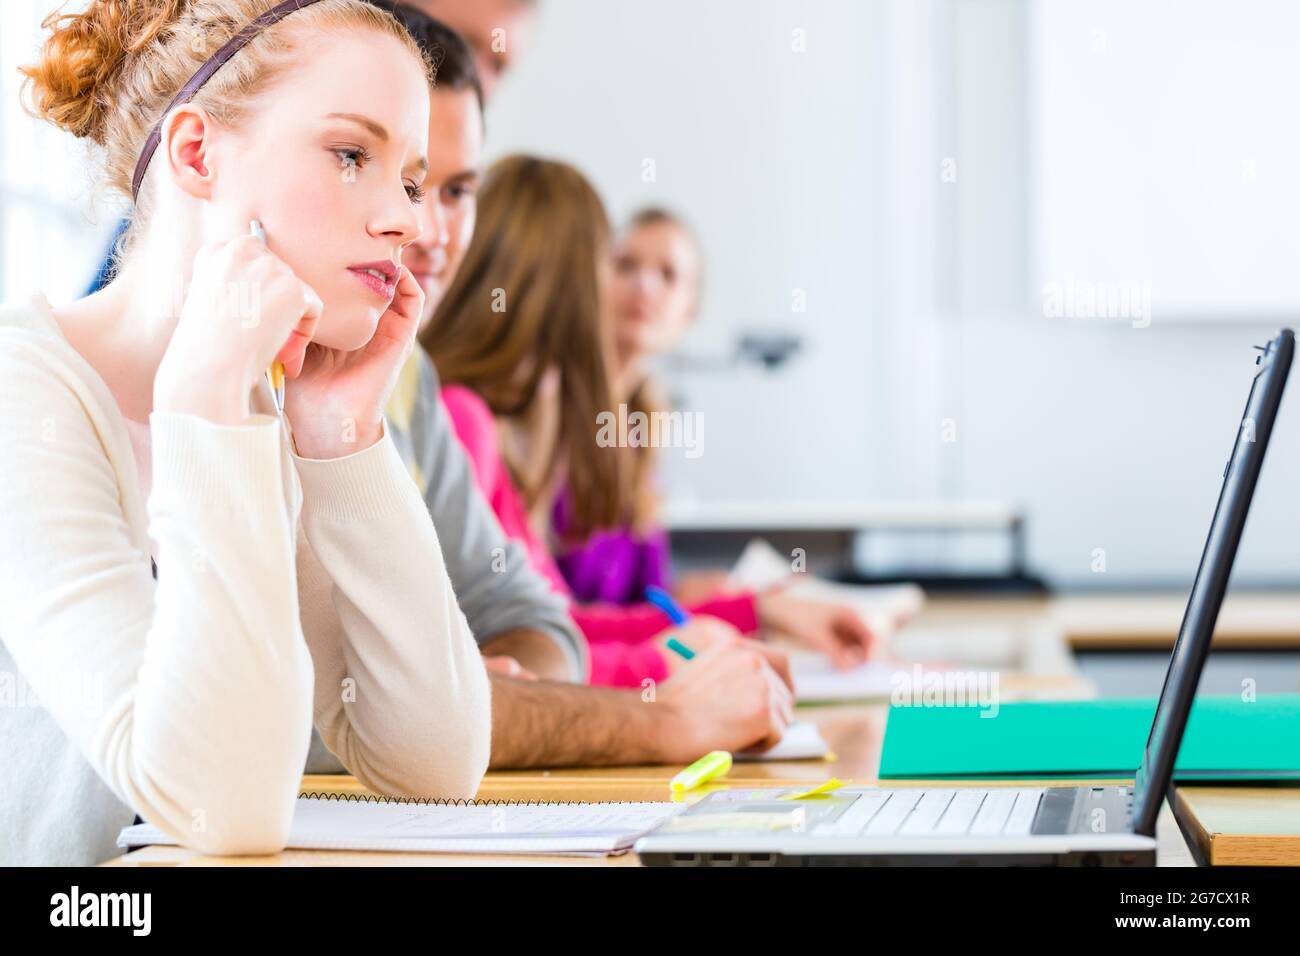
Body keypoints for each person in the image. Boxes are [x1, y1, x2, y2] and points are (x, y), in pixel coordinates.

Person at [0, 0, 491, 866]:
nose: (409, 223)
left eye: (410, 181)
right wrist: (202, 404)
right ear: (197, 153)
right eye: (351, 156)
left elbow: (433, 763)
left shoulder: (262, 405)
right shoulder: (24, 392)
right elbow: (221, 810)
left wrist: (344, 434)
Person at [372, 6, 800, 767]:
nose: (429, 232)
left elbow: (537, 625)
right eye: (613, 269)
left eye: (455, 191)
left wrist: (512, 693)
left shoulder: (422, 385)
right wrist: (662, 681)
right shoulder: (464, 415)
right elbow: (408, 696)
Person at [421, 154, 871, 689]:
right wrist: (671, 658)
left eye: (667, 276)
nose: (633, 291)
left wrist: (727, 619)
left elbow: (556, 629)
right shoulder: (470, 421)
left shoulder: (584, 424)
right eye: (616, 267)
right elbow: (516, 657)